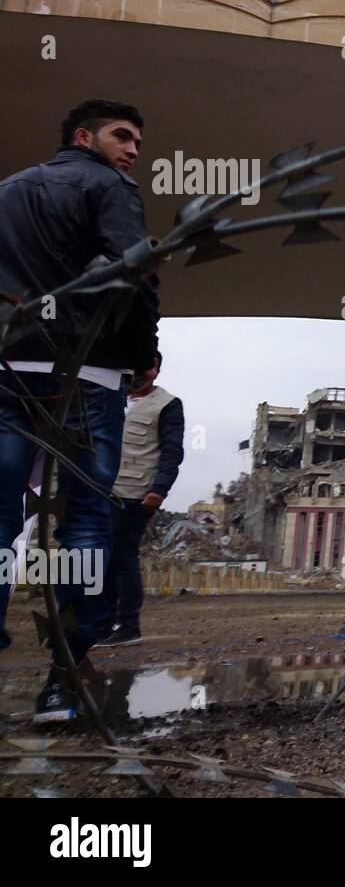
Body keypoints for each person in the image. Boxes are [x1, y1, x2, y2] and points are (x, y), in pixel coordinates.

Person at [0, 100, 161, 717]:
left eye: (138, 144)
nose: (133, 151)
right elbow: (136, 273)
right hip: (86, 373)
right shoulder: (109, 187)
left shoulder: (9, 191)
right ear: (82, 136)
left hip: (10, 371)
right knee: (86, 523)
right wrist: (144, 353)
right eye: (123, 137)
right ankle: (64, 679)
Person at [101, 353, 183, 646]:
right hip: (102, 490)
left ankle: (128, 626)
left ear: (157, 371)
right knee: (104, 558)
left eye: (148, 366)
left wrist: (158, 489)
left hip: (138, 493)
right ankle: (105, 623)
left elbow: (172, 451)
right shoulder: (108, 395)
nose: (141, 371)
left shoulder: (168, 405)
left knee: (123, 556)